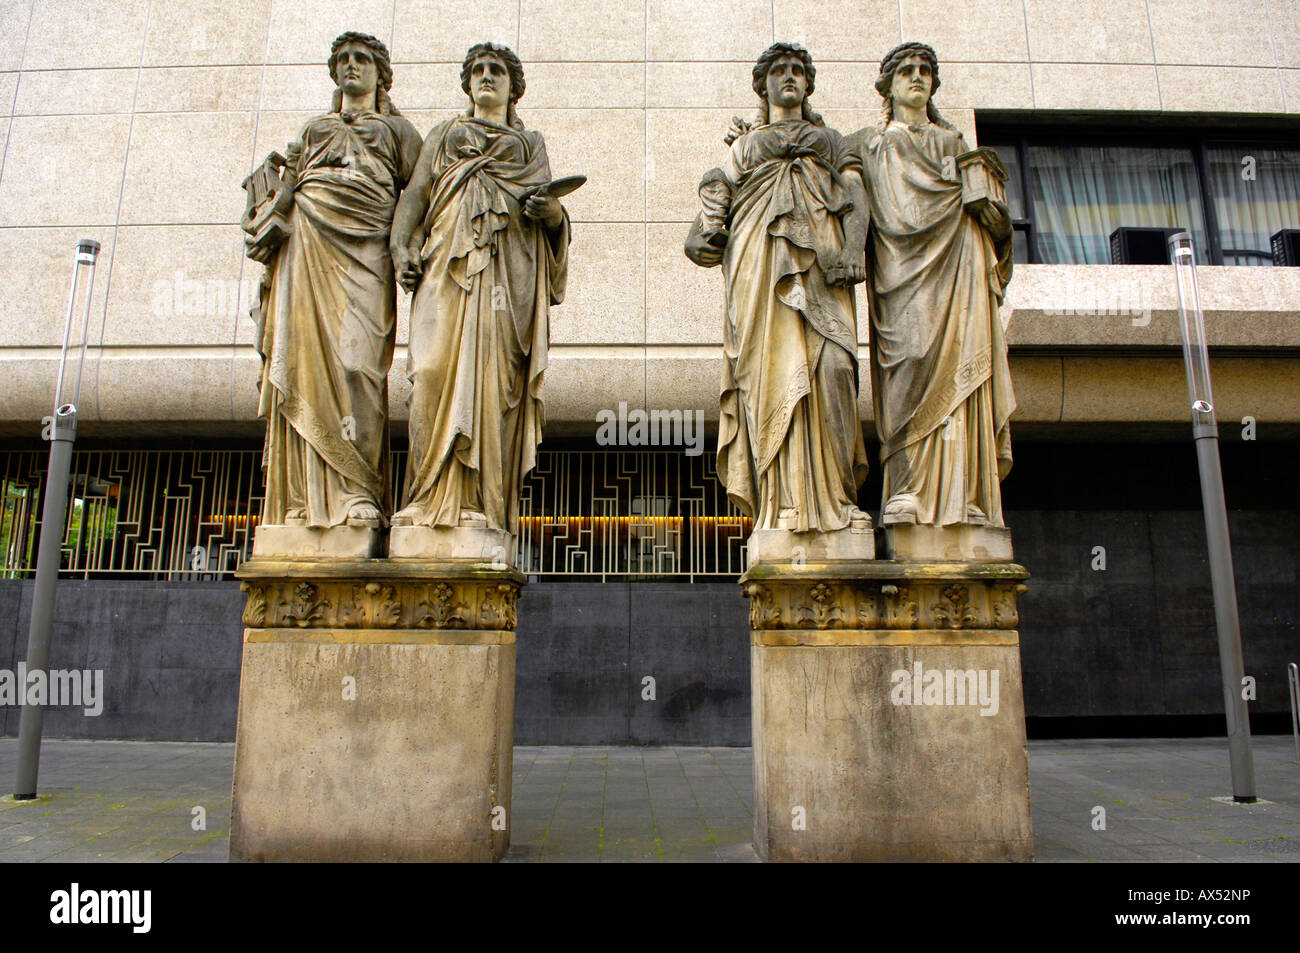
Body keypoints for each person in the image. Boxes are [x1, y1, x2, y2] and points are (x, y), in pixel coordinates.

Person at [685, 42, 869, 534]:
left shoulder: (831, 141)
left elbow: (855, 196)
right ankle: (783, 502)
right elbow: (710, 216)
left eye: (796, 71)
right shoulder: (743, 148)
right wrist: (699, 240)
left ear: (808, 84)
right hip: (760, 279)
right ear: (762, 87)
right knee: (772, 381)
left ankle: (836, 499)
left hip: (825, 274)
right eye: (778, 71)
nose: (788, 77)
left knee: (832, 373)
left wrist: (854, 249)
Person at [389, 42, 570, 532]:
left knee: (490, 388)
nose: (486, 77)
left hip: (504, 283)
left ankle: (481, 505)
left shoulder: (529, 145)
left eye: (497, 71)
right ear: (467, 83)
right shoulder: (445, 135)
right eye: (478, 71)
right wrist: (402, 249)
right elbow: (415, 200)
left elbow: (551, 213)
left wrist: (552, 216)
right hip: (443, 271)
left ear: (514, 88)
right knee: (428, 374)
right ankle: (426, 499)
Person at [248, 32, 421, 528]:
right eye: (343, 60)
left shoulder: (400, 133)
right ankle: (305, 500)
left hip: (367, 256)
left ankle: (359, 486)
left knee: (357, 366)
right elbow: (284, 192)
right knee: (304, 363)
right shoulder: (313, 130)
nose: (351, 66)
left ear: (380, 73)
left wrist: (409, 248)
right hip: (308, 249)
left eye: (362, 59)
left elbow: (422, 198)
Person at [853, 41, 1016, 527]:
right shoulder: (868, 144)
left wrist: (997, 223)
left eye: (925, 70)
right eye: (906, 71)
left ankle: (962, 495)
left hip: (956, 269)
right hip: (898, 276)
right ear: (887, 85)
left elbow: (991, 217)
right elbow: (840, 193)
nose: (917, 77)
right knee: (909, 368)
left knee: (959, 377)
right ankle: (907, 490)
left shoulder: (954, 145)